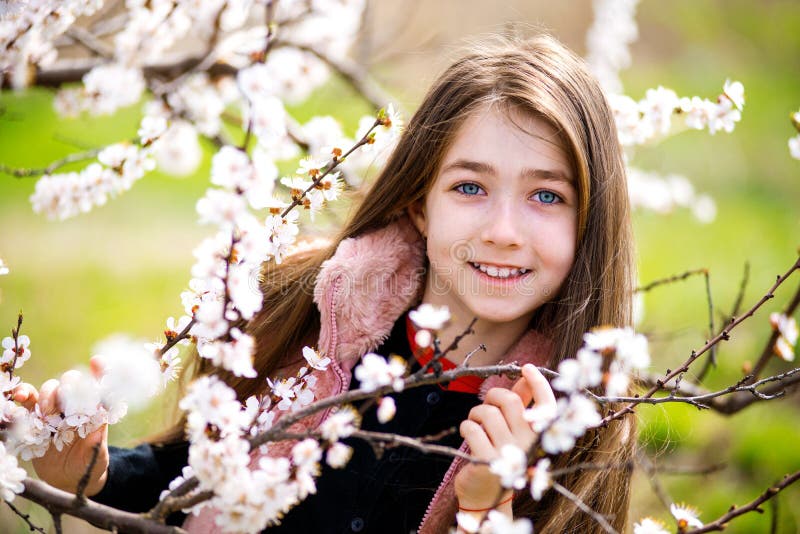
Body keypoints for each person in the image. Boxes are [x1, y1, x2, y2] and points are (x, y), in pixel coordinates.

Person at [14, 33, 636, 533]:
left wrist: (482, 510)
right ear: (421, 203)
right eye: (469, 187)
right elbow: (188, 479)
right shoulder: (312, 312)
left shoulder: (576, 430)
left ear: (590, 223)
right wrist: (92, 475)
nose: (503, 230)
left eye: (547, 195)